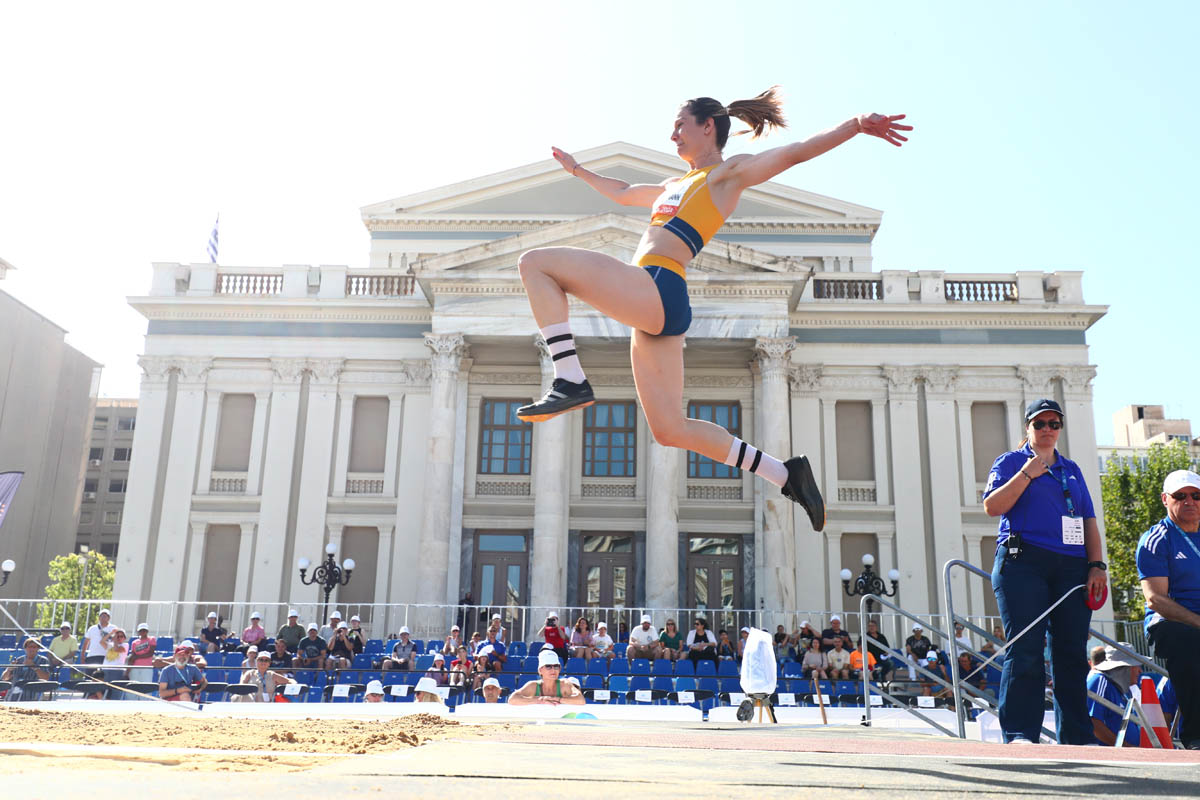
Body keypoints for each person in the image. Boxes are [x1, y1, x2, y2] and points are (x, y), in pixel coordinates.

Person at [512, 92, 910, 532]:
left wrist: (855, 124)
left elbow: (794, 153)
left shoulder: (726, 175)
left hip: (658, 283)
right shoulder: (672, 185)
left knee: (535, 264)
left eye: (679, 124)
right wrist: (577, 170)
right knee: (669, 430)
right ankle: (785, 474)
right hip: (658, 304)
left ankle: (569, 377)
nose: (672, 135)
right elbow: (623, 192)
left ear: (707, 127)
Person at [983, 398, 1104, 745]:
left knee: (1071, 653)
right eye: (1040, 424)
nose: (1047, 429)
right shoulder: (1010, 461)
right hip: (1023, 562)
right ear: (1028, 427)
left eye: (1054, 424)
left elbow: (1088, 519)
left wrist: (1096, 565)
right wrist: (1027, 474)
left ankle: (1077, 736)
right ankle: (1020, 733)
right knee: (1026, 649)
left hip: (1071, 566)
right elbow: (992, 506)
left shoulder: (1072, 469)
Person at [1137, 468, 1200, 750]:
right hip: (1169, 622)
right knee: (1190, 642)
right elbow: (1155, 599)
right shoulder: (1157, 539)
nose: (1189, 501)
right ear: (1165, 499)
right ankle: (1195, 735)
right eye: (1180, 496)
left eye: (1196, 495)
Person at [1085, 644, 1142, 746]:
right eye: (1135, 666)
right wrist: (1125, 747)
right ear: (1124, 668)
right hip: (1108, 754)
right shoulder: (1100, 680)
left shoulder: (1118, 688)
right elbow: (1093, 722)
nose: (1140, 671)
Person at [507, 649, 585, 706]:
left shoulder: (565, 684)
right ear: (540, 670)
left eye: (556, 666)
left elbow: (581, 700)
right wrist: (540, 700)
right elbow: (512, 699)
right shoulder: (533, 686)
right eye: (548, 666)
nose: (553, 670)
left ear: (560, 669)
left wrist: (558, 699)